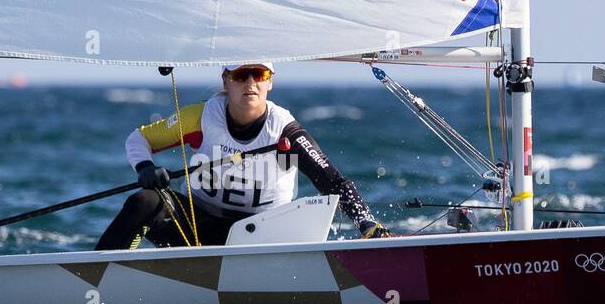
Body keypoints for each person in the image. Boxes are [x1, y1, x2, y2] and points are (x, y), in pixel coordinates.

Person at [96, 62, 390, 249]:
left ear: (270, 82)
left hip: (261, 236)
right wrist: (145, 167)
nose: (250, 83)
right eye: (240, 75)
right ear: (227, 82)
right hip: (199, 227)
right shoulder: (203, 116)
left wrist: (365, 222)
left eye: (258, 75)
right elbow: (139, 139)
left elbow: (333, 182)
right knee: (143, 201)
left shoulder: (284, 130)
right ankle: (94, 279)